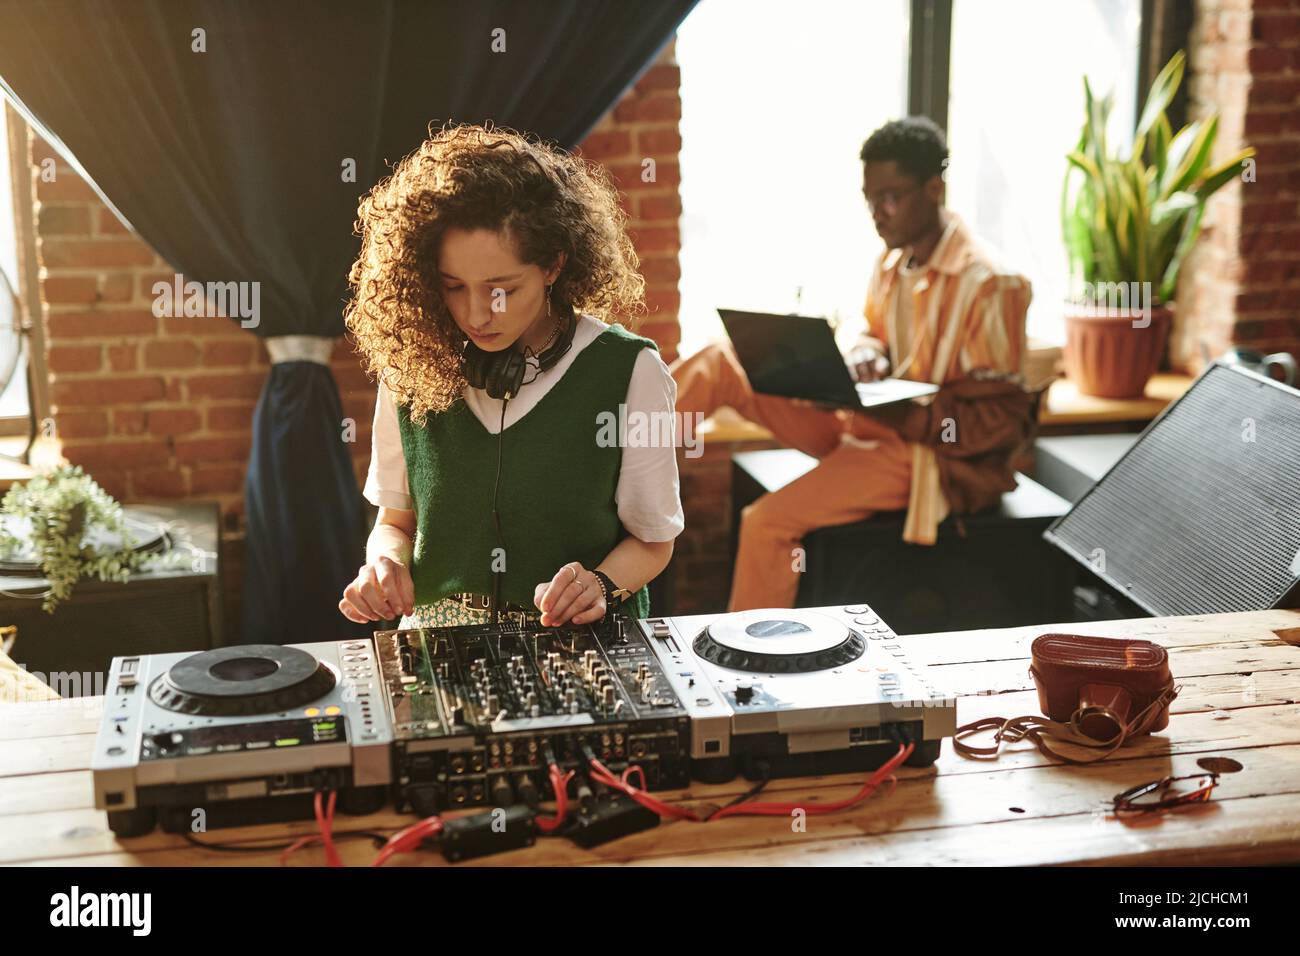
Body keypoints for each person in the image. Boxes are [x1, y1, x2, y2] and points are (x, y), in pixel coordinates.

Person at [671, 116, 1032, 612]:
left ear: (934, 188)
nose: (877, 214)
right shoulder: (891, 262)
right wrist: (866, 351)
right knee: (718, 359)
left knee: (767, 523)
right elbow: (873, 330)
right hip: (860, 423)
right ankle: (610, 459)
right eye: (869, 199)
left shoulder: (992, 282)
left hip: (920, 456)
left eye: (890, 197)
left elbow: (1002, 420)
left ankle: (747, 670)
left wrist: (913, 417)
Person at [339, 124, 683, 629]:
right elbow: (395, 523)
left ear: (553, 266)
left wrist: (602, 585)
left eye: (501, 289)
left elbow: (654, 541)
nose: (477, 315)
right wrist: (384, 564)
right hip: (435, 653)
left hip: (577, 647)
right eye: (454, 287)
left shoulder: (633, 372)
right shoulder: (409, 365)